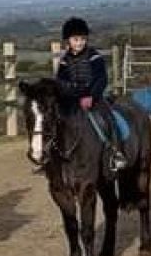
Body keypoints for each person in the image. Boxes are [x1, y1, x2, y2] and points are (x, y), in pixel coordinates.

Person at [54, 17, 127, 171]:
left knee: (108, 116)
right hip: (72, 100)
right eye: (75, 39)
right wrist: (70, 93)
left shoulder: (94, 57)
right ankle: (53, 154)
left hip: (94, 98)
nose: (79, 43)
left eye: (82, 39)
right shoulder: (64, 62)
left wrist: (91, 96)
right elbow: (60, 82)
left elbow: (101, 79)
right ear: (68, 41)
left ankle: (116, 151)